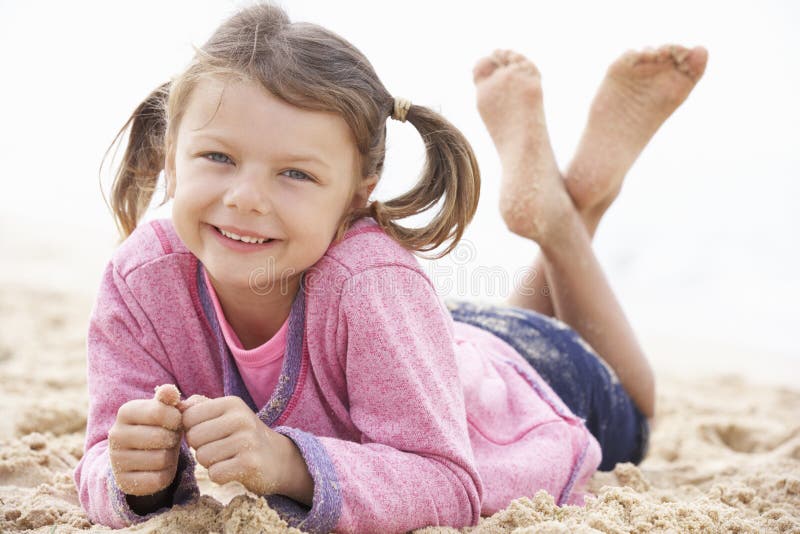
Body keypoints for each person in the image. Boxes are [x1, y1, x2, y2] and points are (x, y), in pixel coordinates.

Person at [73, 3, 707, 532]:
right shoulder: (140, 279)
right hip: (446, 348)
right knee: (477, 363)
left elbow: (448, 484)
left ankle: (567, 223)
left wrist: (288, 462)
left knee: (637, 410)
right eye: (217, 156)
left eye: (295, 173)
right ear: (171, 154)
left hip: (535, 385)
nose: (245, 198)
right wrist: (133, 476)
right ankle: (563, 206)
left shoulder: (374, 285)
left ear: (360, 190)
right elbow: (101, 452)